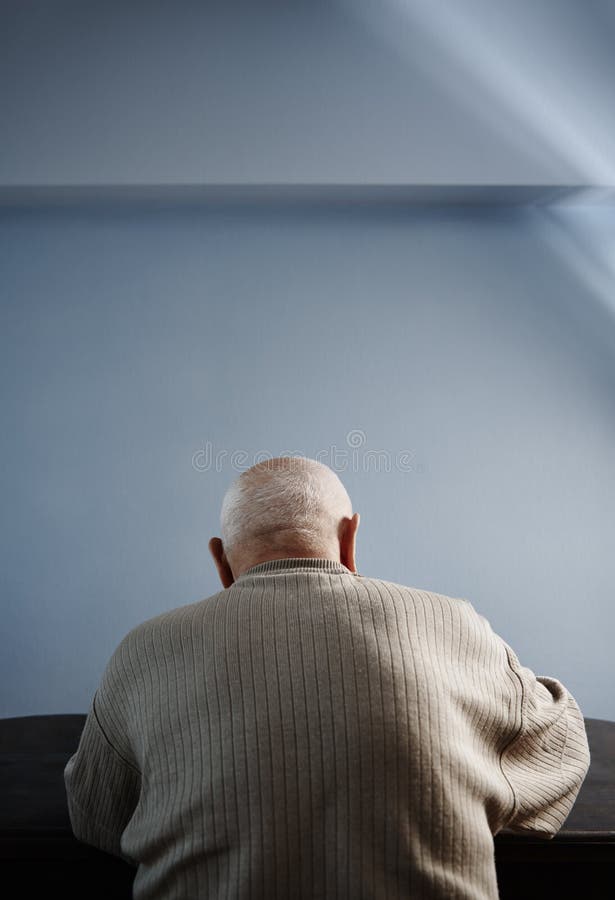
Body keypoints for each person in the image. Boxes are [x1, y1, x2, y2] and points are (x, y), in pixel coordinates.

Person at [64, 456, 590, 900]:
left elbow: (97, 816)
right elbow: (560, 756)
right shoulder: (454, 623)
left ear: (221, 562)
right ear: (349, 540)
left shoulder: (143, 650)